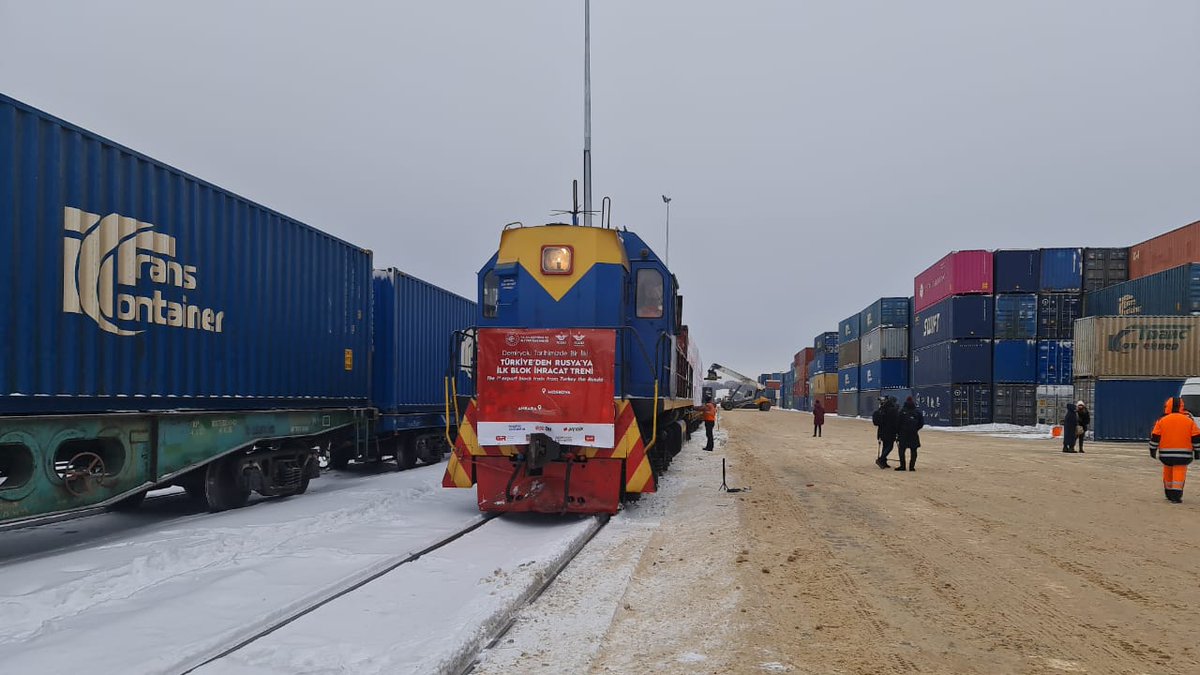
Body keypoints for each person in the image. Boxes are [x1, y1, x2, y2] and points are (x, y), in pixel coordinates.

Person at [1149, 397, 1200, 503]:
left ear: (1167, 406)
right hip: (1184, 454)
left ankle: (1168, 493)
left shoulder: (1162, 420)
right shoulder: (1188, 420)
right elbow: (1196, 437)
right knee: (1179, 472)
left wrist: (1153, 450)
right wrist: (1197, 451)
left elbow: (1155, 436)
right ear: (1181, 406)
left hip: (1165, 454)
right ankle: (1176, 496)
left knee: (1167, 470)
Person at [896, 396, 924, 471]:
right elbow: (921, 423)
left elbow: (898, 423)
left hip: (903, 433)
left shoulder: (902, 411)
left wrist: (898, 432)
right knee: (914, 450)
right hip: (913, 433)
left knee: (901, 450)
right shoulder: (917, 412)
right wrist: (915, 429)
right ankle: (912, 467)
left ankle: (903, 466)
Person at [872, 396, 900, 468]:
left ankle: (883, 462)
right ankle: (881, 460)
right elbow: (896, 422)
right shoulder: (893, 410)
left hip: (882, 431)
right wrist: (897, 432)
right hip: (890, 431)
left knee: (885, 446)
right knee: (890, 446)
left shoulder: (882, 408)